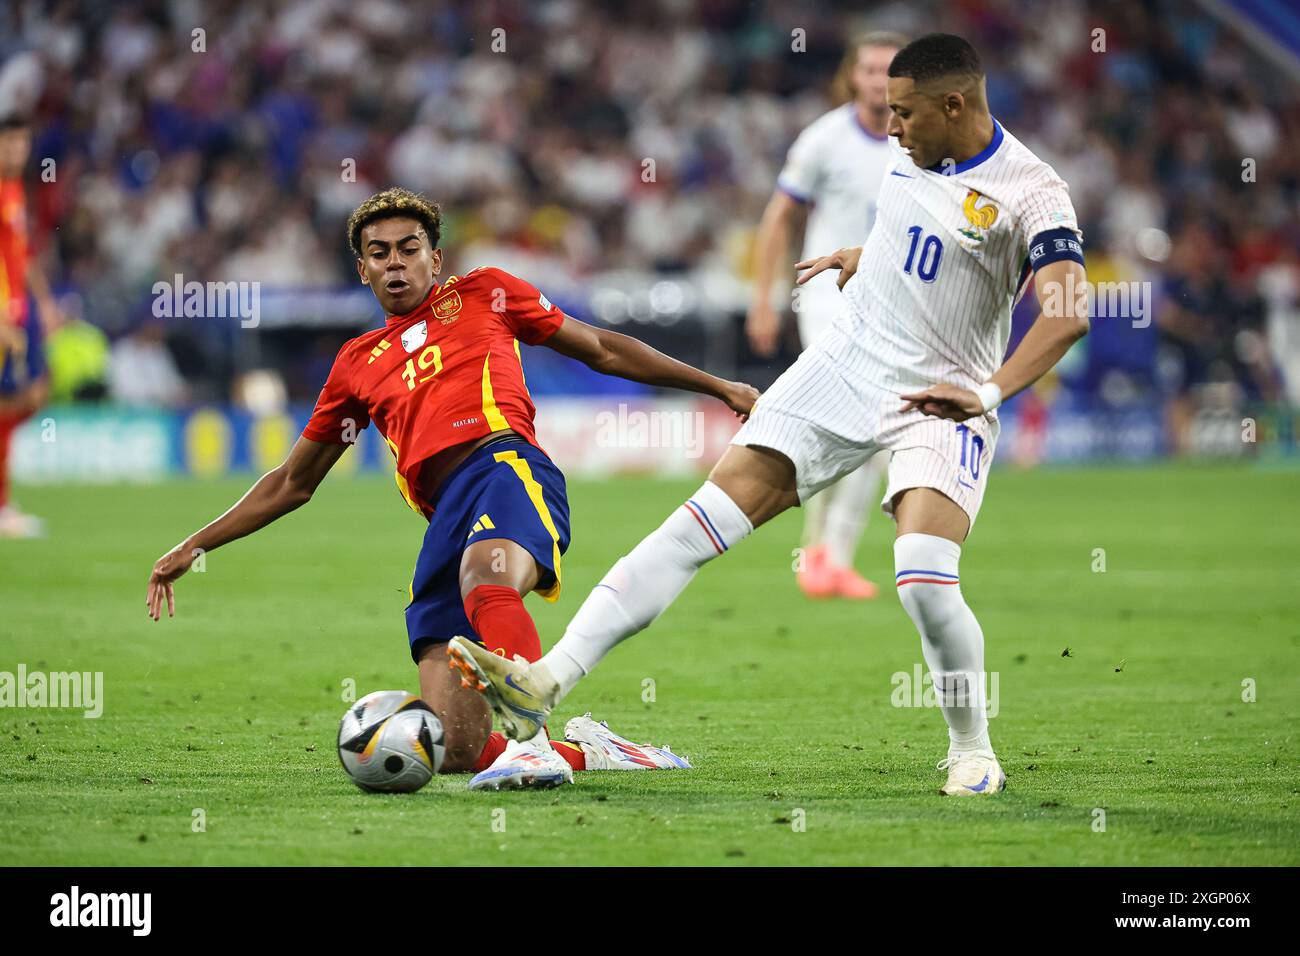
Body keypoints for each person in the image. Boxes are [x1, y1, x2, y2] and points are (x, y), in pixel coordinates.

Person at [450, 34, 1090, 798]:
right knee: (692, 528)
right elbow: (920, 232)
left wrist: (985, 394)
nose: (890, 128)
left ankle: (972, 752)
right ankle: (545, 681)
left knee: (923, 576)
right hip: (843, 367)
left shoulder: (1033, 192)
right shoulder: (910, 150)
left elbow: (1068, 313)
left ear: (954, 105)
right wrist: (863, 256)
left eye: (904, 113)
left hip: (941, 396)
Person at [147, 187, 757, 790]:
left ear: (434, 258)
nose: (395, 262)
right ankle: (591, 753)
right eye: (379, 252)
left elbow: (600, 348)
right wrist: (194, 545)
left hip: (504, 469)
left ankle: (534, 747)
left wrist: (720, 387)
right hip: (445, 522)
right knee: (456, 746)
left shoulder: (485, 293)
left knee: (488, 578)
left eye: (409, 248)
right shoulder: (356, 363)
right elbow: (291, 482)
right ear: (362, 270)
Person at [746, 31, 906, 600]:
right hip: (828, 295)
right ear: (852, 76)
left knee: (877, 430)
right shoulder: (825, 139)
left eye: (889, 70)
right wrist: (764, 299)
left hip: (892, 300)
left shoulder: (918, 143)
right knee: (862, 416)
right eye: (870, 70)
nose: (879, 81)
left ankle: (826, 556)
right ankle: (822, 555)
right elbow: (778, 216)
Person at [0, 114, 52, 539]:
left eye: (22, 143)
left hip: (19, 314)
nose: (17, 151)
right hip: (4, 316)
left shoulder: (15, 190)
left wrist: (44, 303)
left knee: (32, 395)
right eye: (9, 143)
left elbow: (25, 254)